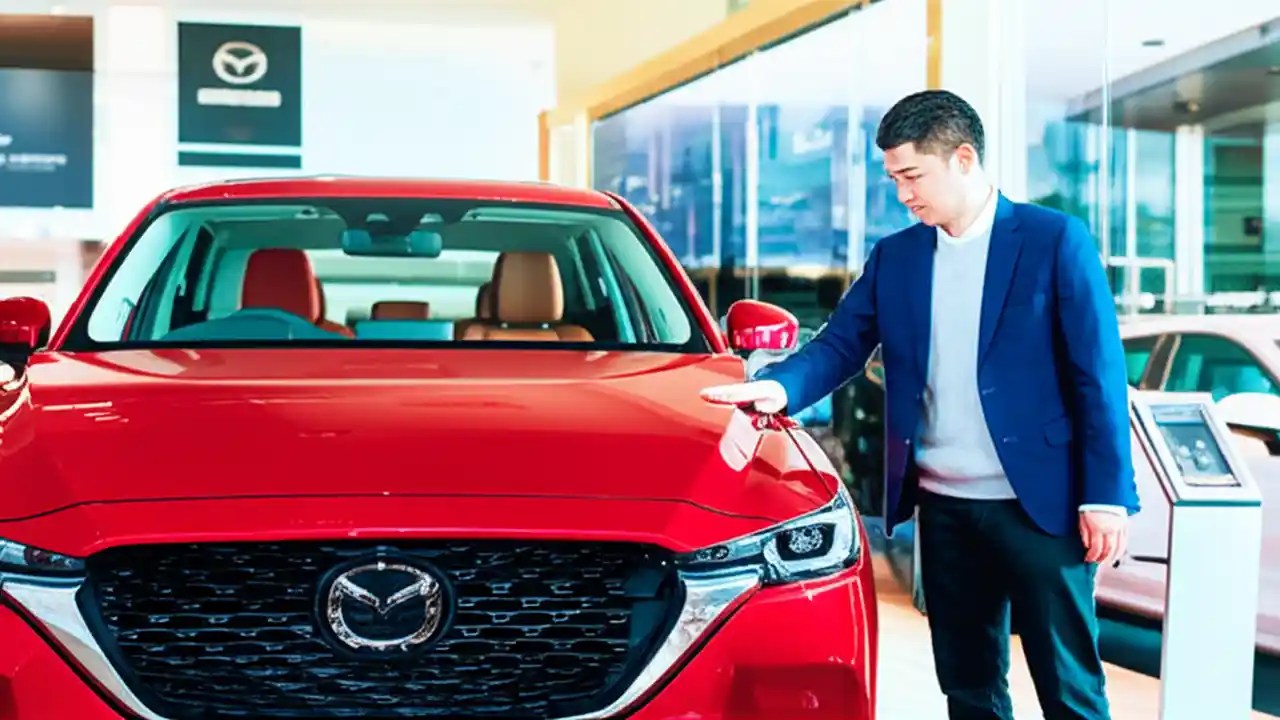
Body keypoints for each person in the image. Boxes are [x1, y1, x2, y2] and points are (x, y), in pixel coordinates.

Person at [700, 90, 1139, 720]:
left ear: (962, 158)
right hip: (947, 509)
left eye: (912, 176)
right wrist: (780, 387)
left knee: (1069, 688)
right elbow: (841, 344)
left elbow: (1098, 375)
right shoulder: (898, 257)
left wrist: (1106, 496)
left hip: (1041, 507)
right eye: (894, 179)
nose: (903, 194)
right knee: (967, 683)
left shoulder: (1054, 240)